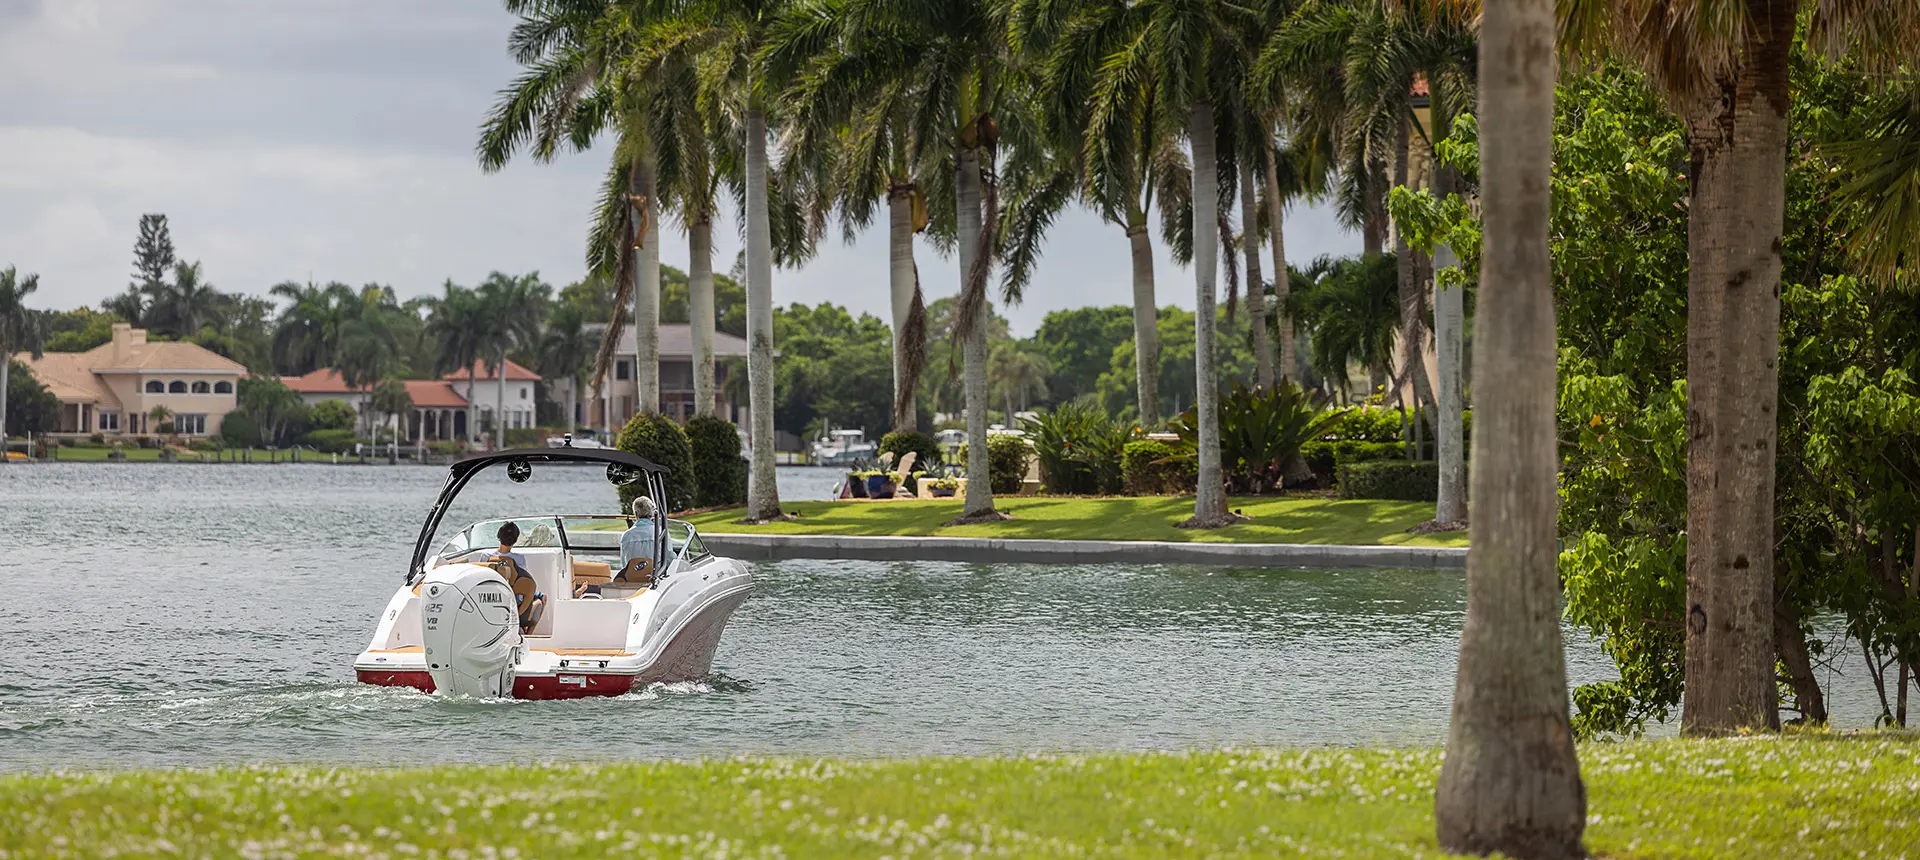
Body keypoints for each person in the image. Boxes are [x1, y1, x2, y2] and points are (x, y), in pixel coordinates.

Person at [468, 522, 542, 631]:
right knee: (541, 599)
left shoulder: (486, 557)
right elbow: (524, 584)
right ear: (515, 540)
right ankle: (526, 633)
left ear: (499, 536)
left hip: (489, 601)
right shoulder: (519, 559)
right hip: (514, 604)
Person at [619, 496, 667, 580]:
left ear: (636, 513)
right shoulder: (661, 532)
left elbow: (624, 565)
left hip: (632, 580)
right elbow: (669, 558)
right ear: (652, 513)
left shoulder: (626, 535)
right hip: (656, 580)